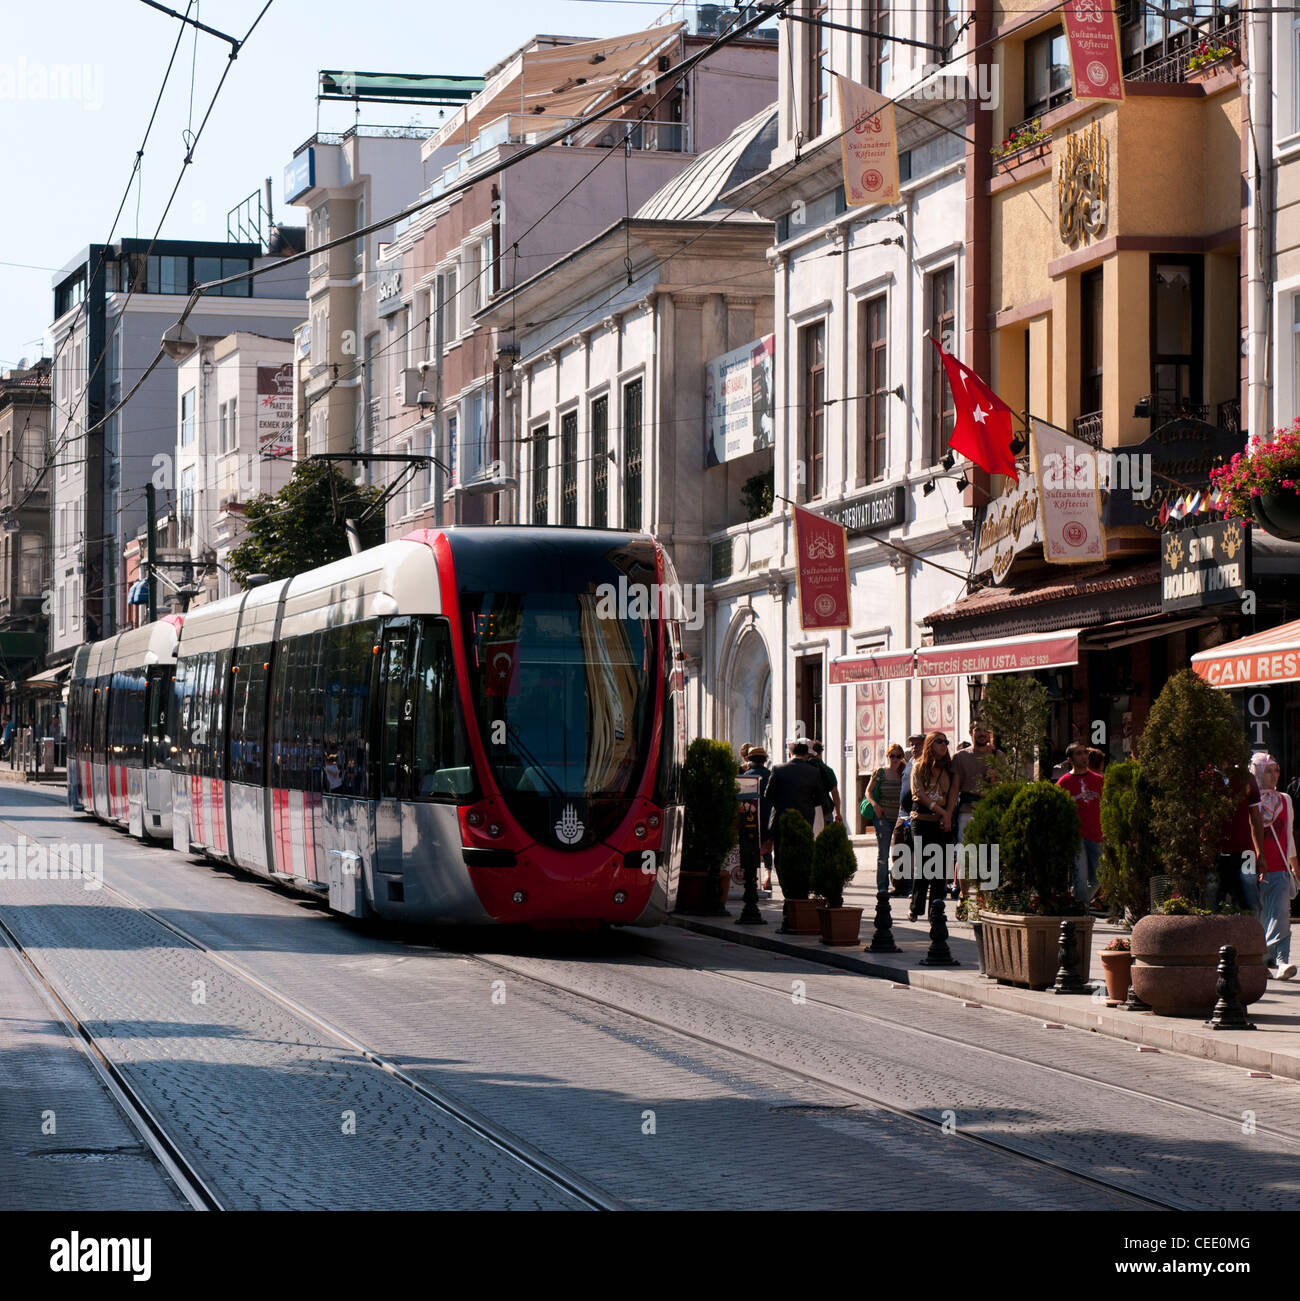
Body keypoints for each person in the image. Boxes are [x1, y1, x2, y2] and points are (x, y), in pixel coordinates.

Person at [1251, 753, 1300, 980]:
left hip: (1279, 866)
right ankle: (1262, 960)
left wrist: (1294, 864)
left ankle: (1282, 962)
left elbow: (1288, 835)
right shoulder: (1248, 801)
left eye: (1276, 770)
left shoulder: (1284, 799)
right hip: (1252, 868)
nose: (1275, 775)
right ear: (1258, 773)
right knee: (1259, 918)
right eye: (1269, 770)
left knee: (1280, 914)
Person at [764, 741, 833, 889]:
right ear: (807, 756)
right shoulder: (813, 772)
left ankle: (786, 890)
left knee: (781, 858)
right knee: (802, 855)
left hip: (782, 819)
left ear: (790, 754)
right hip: (805, 820)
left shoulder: (778, 769)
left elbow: (768, 795)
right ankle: (799, 891)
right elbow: (821, 799)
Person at [909, 732, 955, 922]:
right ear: (930, 745)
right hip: (921, 820)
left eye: (946, 742)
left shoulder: (948, 769)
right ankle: (916, 908)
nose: (944, 745)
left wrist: (947, 815)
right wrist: (942, 811)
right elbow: (919, 794)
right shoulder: (918, 767)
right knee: (925, 864)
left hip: (941, 821)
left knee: (941, 867)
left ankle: (936, 909)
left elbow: (952, 793)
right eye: (939, 742)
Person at [949, 722, 998, 899]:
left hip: (989, 810)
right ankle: (963, 895)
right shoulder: (961, 757)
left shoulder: (998, 756)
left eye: (986, 729)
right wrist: (948, 815)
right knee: (964, 855)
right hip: (967, 810)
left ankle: (984, 898)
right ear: (971, 732)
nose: (982, 733)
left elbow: (1001, 786)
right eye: (978, 730)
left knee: (987, 855)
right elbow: (955, 788)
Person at [1056, 743, 1105, 908]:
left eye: (1085, 753)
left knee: (1100, 877)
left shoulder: (1099, 780)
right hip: (1076, 837)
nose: (1083, 756)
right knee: (1081, 877)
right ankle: (1081, 912)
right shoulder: (1063, 783)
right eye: (1078, 754)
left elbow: (1107, 806)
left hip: (1097, 835)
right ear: (1070, 759)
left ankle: (1076, 900)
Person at [1216, 761, 1268, 912]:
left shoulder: (1246, 778)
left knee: (1250, 903)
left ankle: (1252, 935)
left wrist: (1260, 854)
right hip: (1213, 853)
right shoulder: (1205, 778)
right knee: (1211, 905)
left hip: (1244, 853)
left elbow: (1256, 819)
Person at [862, 745, 906, 903]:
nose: (895, 759)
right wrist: (875, 805)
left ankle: (900, 885)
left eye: (898, 756)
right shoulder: (880, 773)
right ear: (887, 756)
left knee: (901, 853)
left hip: (900, 818)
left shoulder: (905, 773)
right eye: (892, 756)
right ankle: (882, 887)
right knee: (883, 854)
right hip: (883, 817)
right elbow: (868, 791)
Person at [744, 746, 774, 891]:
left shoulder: (746, 776)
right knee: (767, 848)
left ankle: (753, 878)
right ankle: (768, 874)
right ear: (764, 760)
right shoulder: (770, 775)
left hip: (751, 816)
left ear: (749, 760)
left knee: (751, 848)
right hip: (768, 816)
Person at [809, 741, 842, 824]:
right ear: (821, 752)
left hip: (807, 810)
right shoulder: (827, 770)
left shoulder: (803, 767)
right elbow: (834, 793)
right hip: (825, 810)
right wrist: (837, 812)